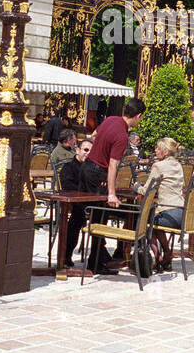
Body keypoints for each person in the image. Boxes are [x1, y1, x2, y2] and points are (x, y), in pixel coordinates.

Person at [84, 98, 145, 271]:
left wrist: (99, 149)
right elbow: (113, 165)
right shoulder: (122, 136)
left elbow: (94, 135)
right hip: (98, 173)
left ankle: (96, 255)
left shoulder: (111, 119)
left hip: (87, 167)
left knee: (84, 213)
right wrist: (111, 192)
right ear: (138, 115)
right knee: (100, 215)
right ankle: (95, 262)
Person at [135, 137, 186, 272]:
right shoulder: (178, 165)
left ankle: (158, 257)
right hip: (182, 213)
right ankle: (167, 253)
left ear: (166, 152)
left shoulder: (158, 166)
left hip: (169, 213)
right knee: (156, 223)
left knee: (146, 222)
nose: (155, 150)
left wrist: (135, 187)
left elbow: (146, 190)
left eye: (158, 148)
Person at [56, 137, 93, 268]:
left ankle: (102, 254)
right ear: (77, 150)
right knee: (76, 218)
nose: (88, 153)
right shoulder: (69, 167)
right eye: (86, 150)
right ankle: (65, 256)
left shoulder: (93, 168)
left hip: (91, 204)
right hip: (75, 205)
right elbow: (67, 187)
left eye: (91, 151)